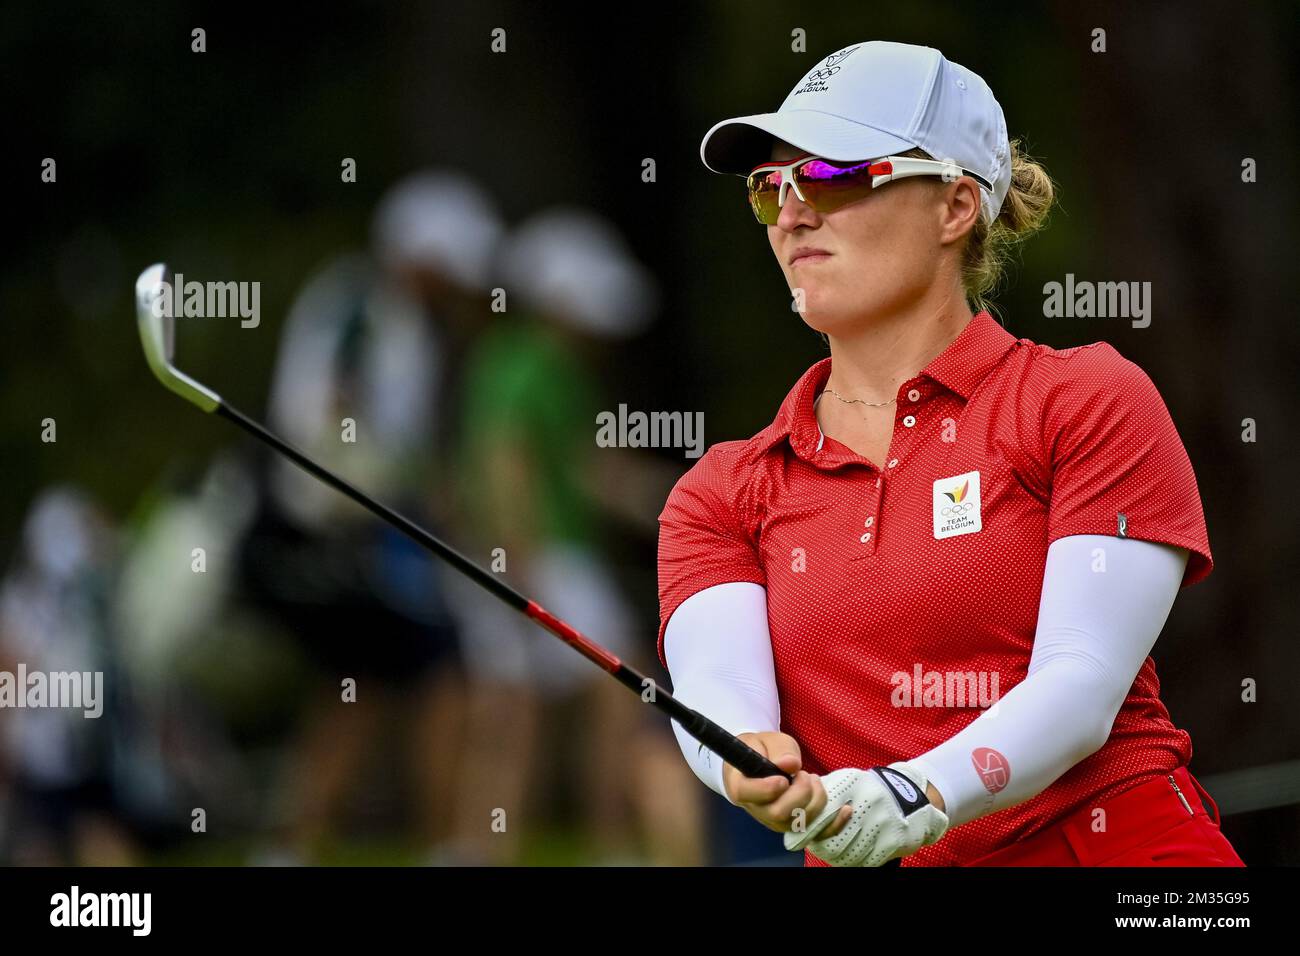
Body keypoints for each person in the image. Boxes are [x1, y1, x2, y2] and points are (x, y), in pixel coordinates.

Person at [657, 40, 1245, 867]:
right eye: (770, 188)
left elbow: (1079, 687)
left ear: (955, 207)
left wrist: (918, 791)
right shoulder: (723, 490)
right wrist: (742, 761)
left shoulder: (1084, 399)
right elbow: (721, 692)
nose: (792, 212)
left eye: (831, 176)